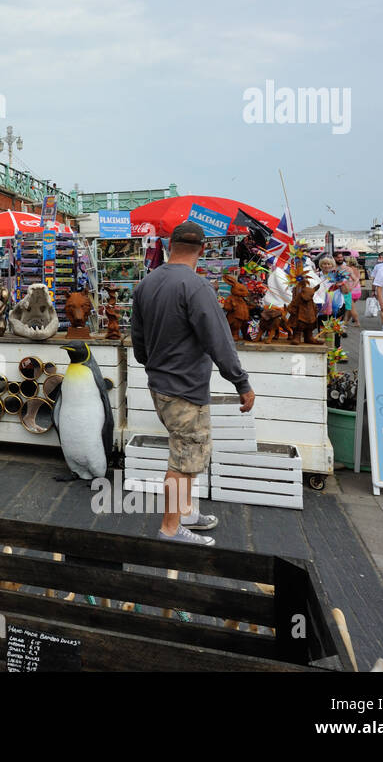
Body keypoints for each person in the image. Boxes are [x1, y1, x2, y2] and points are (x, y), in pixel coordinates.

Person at [130, 222, 255, 546]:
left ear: (169, 245)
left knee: (190, 452)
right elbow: (219, 341)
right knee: (185, 458)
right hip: (185, 388)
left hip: (161, 385)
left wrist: (158, 367)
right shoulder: (196, 287)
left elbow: (139, 344)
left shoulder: (146, 284)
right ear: (201, 250)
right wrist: (241, 383)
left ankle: (185, 512)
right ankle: (170, 529)